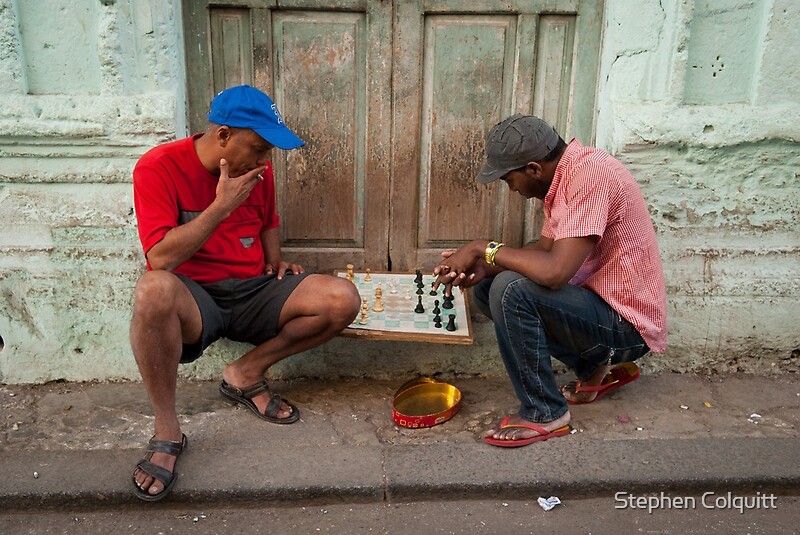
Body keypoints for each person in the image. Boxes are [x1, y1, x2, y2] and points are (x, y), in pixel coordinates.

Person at [129, 85, 360, 500]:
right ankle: (167, 430)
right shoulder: (157, 167)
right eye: (258, 149)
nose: (263, 161)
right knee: (152, 289)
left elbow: (267, 220)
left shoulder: (256, 173)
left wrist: (275, 260)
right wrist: (221, 206)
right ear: (223, 135)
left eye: (268, 152)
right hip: (196, 299)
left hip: (254, 290)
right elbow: (160, 258)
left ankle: (244, 373)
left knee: (342, 298)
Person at [433, 114, 667, 448]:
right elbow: (544, 252)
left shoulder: (591, 178)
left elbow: (554, 272)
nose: (511, 189)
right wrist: (486, 266)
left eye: (509, 180)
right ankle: (592, 369)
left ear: (533, 169)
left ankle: (545, 412)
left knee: (511, 291)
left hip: (626, 328)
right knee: (488, 289)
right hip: (599, 311)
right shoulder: (568, 176)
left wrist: (482, 248)